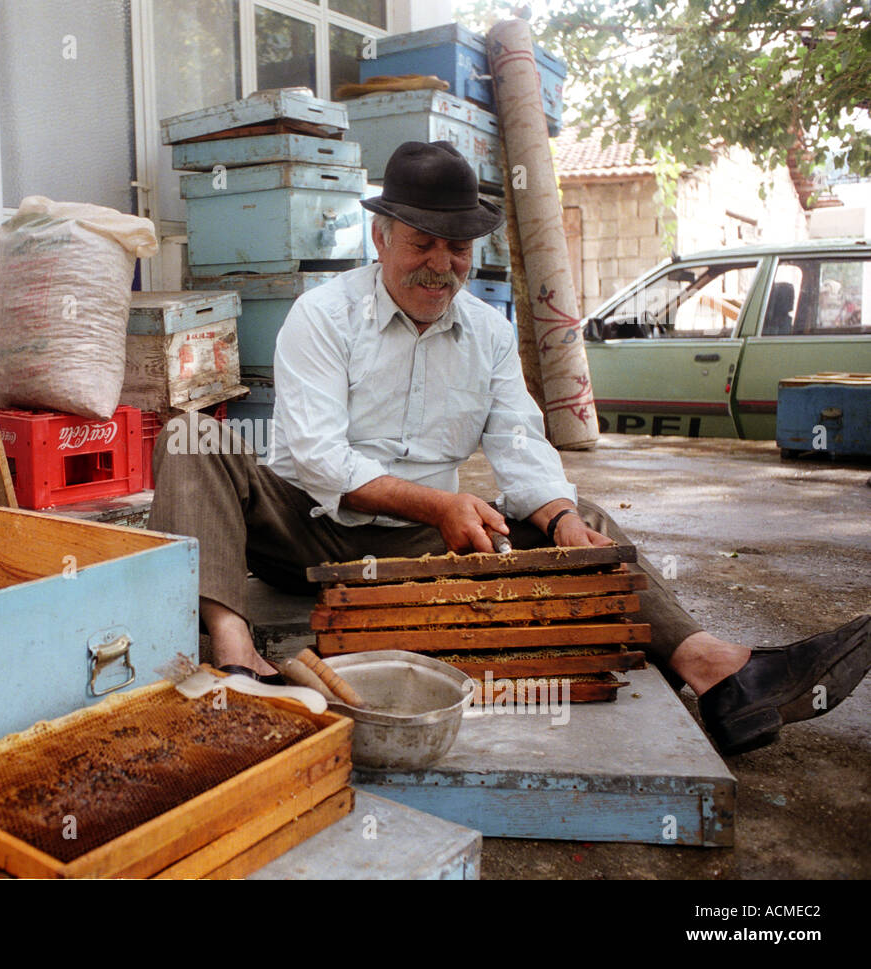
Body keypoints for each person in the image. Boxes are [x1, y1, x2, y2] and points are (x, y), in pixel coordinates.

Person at [148, 140, 871, 756]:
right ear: (380, 238)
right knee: (190, 434)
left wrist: (558, 521)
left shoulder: (488, 334)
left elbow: (522, 444)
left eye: (457, 247)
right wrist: (441, 502)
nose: (441, 264)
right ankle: (236, 653)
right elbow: (312, 456)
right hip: (298, 530)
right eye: (421, 243)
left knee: (583, 515)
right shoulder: (322, 316)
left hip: (417, 546)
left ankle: (719, 676)